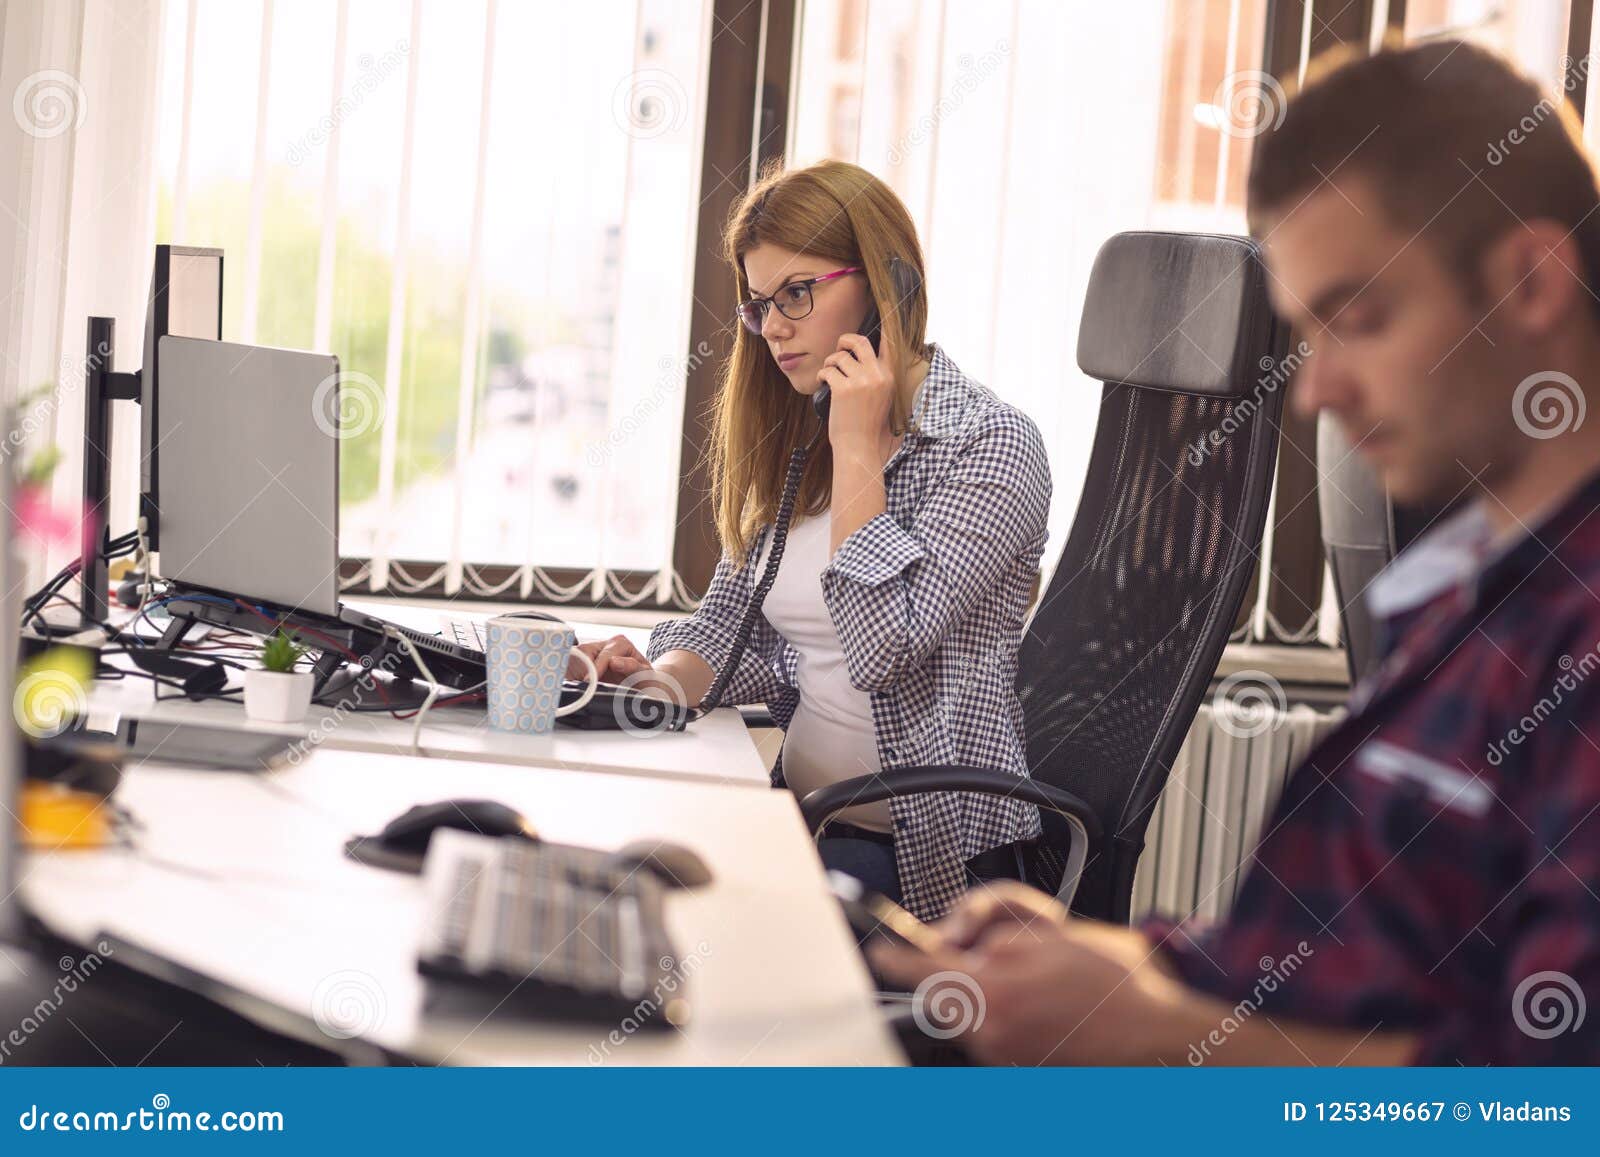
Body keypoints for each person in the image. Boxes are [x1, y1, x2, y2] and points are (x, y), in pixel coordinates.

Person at [874, 39, 1600, 1064]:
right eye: (1307, 335)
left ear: (1529, 281)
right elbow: (1348, 971)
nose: (1314, 391)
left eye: (1360, 318)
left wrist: (1158, 1030)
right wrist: (1118, 959)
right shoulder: (1460, 593)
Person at [569, 159, 1052, 919]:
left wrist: (859, 453)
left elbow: (879, 650)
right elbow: (730, 625)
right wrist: (653, 680)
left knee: (685, 933)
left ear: (887, 286)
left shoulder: (990, 446)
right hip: (805, 820)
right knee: (609, 871)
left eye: (798, 292)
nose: (777, 328)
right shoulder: (802, 439)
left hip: (925, 865)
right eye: (761, 305)